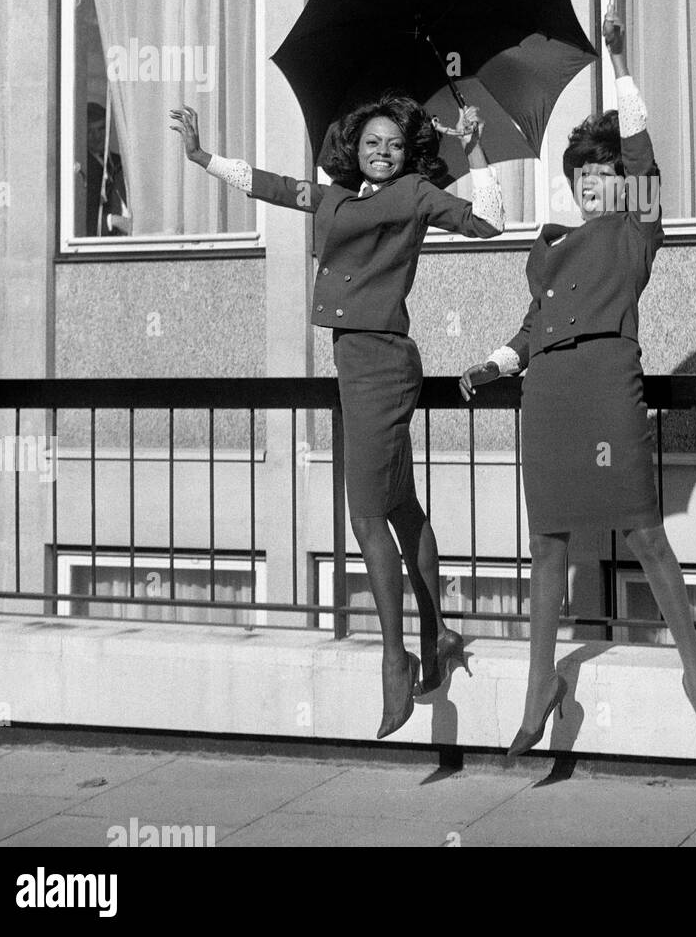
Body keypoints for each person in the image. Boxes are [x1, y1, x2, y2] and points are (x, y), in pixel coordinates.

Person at [171, 94, 504, 737]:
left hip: (380, 362)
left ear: (410, 154)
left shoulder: (415, 193)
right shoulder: (335, 198)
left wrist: (474, 146)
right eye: (373, 143)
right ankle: (433, 639)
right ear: (356, 148)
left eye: (395, 145)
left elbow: (488, 222)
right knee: (400, 508)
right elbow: (270, 186)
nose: (383, 153)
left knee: (365, 514)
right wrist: (201, 156)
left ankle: (395, 658)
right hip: (354, 363)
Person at [460, 9, 696, 757]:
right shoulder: (550, 245)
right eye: (583, 175)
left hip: (608, 381)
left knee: (645, 534)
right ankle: (537, 687)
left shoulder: (636, 230)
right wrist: (492, 364)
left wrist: (618, 59)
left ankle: (695, 677)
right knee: (546, 546)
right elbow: (531, 327)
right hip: (544, 392)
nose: (595, 184)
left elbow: (646, 162)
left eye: (605, 173)